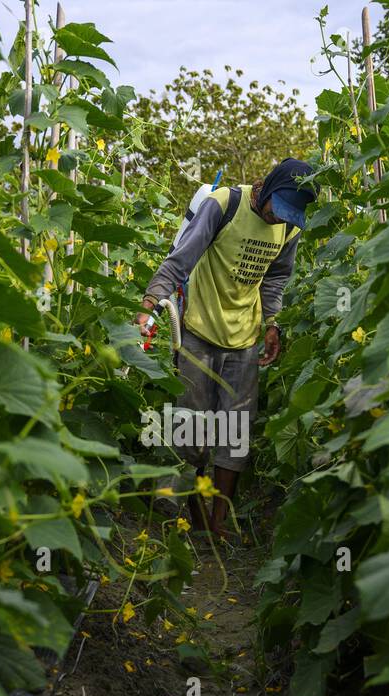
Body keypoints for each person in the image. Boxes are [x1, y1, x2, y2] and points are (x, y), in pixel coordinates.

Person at [135, 158, 316, 540]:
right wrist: (149, 304)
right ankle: (195, 518)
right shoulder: (223, 205)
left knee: (235, 434)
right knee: (193, 429)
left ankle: (219, 522)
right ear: (265, 187)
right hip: (198, 331)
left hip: (245, 336)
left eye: (286, 215)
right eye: (275, 208)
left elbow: (276, 278)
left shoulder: (288, 229)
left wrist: (271, 324)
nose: (275, 218)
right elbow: (182, 259)